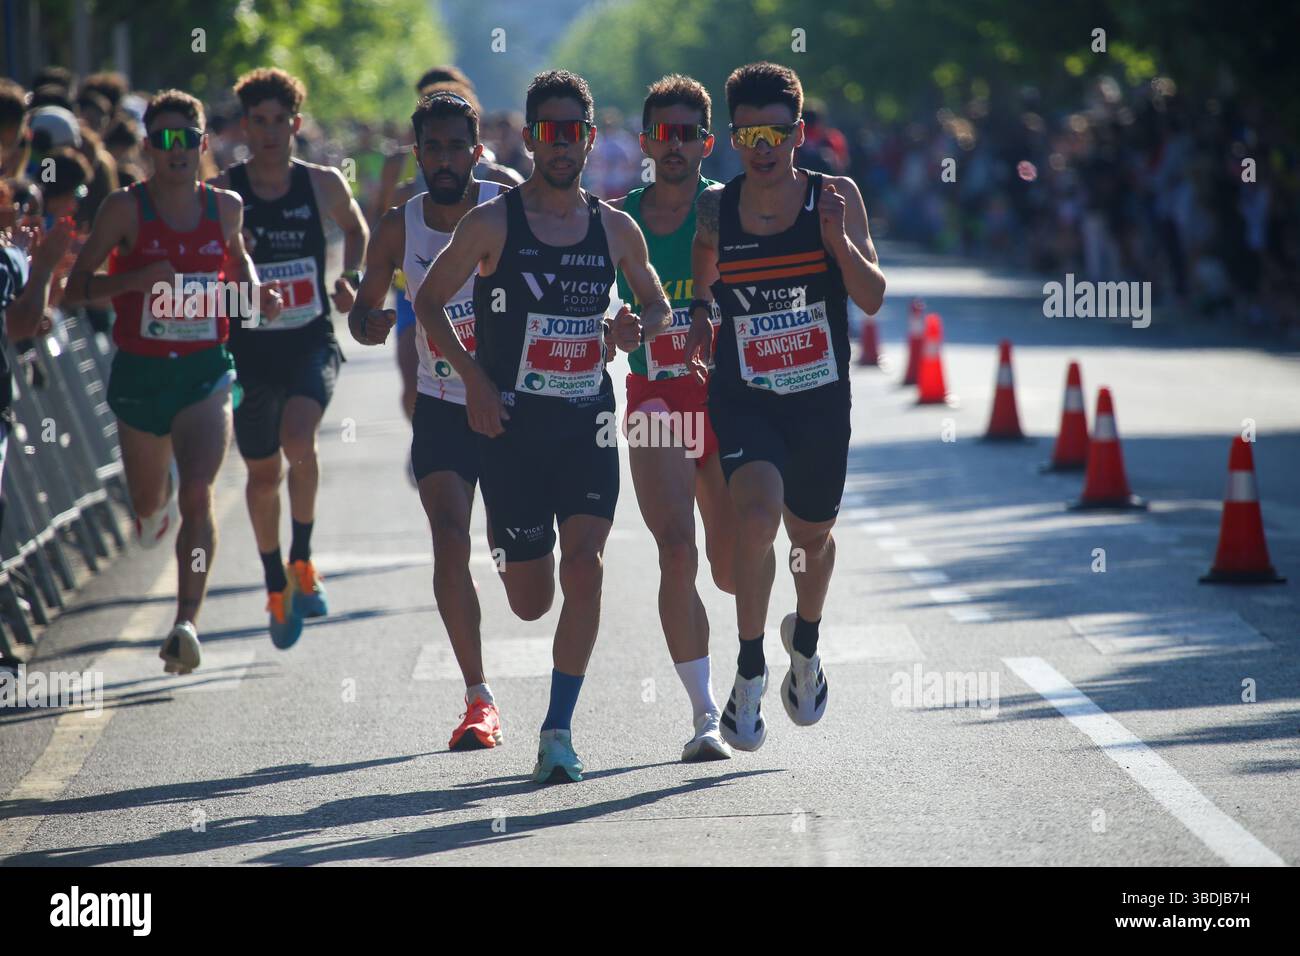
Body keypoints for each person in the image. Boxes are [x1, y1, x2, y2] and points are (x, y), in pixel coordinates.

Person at [414, 70, 672, 783]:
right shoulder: (493, 223)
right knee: (530, 602)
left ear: (590, 139)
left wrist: (632, 328)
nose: (561, 145)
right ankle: (519, 584)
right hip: (511, 434)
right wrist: (473, 384)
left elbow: (657, 307)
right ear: (530, 139)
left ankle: (557, 729)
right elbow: (431, 302)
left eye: (574, 132)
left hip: (585, 423)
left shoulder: (615, 227)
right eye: (549, 132)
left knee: (586, 566)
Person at [685, 62, 885, 750]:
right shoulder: (718, 206)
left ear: (799, 133)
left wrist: (836, 242)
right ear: (733, 137)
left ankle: (805, 645)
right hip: (745, 394)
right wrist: (698, 316)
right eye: (747, 134)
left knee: (811, 541)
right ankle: (747, 671)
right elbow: (704, 269)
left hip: (820, 401)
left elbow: (872, 294)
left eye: (775, 132)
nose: (762, 146)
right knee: (755, 516)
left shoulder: (834, 196)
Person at [63, 89, 283, 674]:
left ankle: (187, 621)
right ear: (147, 148)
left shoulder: (226, 208)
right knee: (149, 502)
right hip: (140, 375)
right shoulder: (124, 210)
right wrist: (131, 281)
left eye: (186, 138)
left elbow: (239, 266)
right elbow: (72, 290)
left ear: (203, 144)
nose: (176, 149)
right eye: (163, 139)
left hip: (205, 370)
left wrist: (257, 295)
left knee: (198, 491)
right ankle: (150, 511)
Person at [348, 90, 508, 750]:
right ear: (418, 154)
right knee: (448, 537)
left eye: (455, 147)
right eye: (432, 148)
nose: (444, 160)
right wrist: (371, 321)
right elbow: (359, 314)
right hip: (443, 407)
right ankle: (478, 697)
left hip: (510, 404)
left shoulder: (507, 209)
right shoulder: (397, 226)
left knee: (528, 578)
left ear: (477, 150)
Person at [209, 68, 368, 648]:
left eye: (281, 121)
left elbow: (358, 228)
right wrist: (235, 270)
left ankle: (303, 562)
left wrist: (349, 278)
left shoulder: (321, 183)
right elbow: (201, 261)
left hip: (308, 340)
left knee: (299, 438)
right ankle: (274, 581)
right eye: (259, 121)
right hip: (250, 350)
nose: (271, 132)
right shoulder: (224, 193)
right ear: (244, 126)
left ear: (296, 124)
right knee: (261, 473)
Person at [609, 73, 736, 762]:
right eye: (665, 133)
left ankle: (748, 657)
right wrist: (613, 330)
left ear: (707, 141)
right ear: (646, 141)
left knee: (729, 568)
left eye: (689, 134)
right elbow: (582, 308)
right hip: (656, 398)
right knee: (674, 551)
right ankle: (705, 713)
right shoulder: (619, 219)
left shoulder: (728, 209)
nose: (676, 145)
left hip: (727, 399)